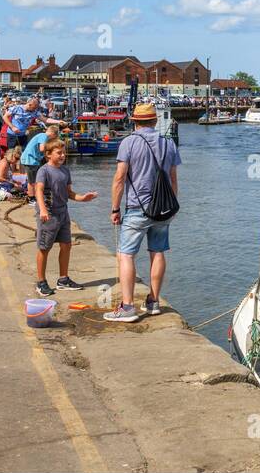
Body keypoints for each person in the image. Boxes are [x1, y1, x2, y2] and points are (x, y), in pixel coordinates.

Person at [106, 102, 180, 323]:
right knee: (157, 252)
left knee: (126, 254)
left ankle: (128, 307)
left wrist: (115, 208)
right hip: (164, 208)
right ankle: (153, 302)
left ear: (135, 122)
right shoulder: (169, 144)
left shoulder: (128, 143)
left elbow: (120, 178)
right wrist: (171, 206)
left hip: (137, 207)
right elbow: (173, 180)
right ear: (155, 121)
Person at [33, 138, 97, 296]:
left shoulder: (65, 171)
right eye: (59, 152)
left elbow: (69, 193)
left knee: (66, 245)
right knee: (44, 248)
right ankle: (41, 281)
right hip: (49, 214)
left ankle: (63, 279)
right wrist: (42, 210)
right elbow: (38, 191)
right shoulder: (44, 171)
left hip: (63, 213)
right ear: (48, 154)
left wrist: (83, 198)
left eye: (64, 152)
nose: (63, 155)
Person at [22, 124, 59, 208]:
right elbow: (42, 149)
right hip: (30, 160)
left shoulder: (42, 135)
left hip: (32, 160)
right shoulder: (44, 136)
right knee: (32, 181)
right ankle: (31, 199)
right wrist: (51, 148)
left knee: (35, 180)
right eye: (54, 137)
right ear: (53, 134)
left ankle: (36, 197)